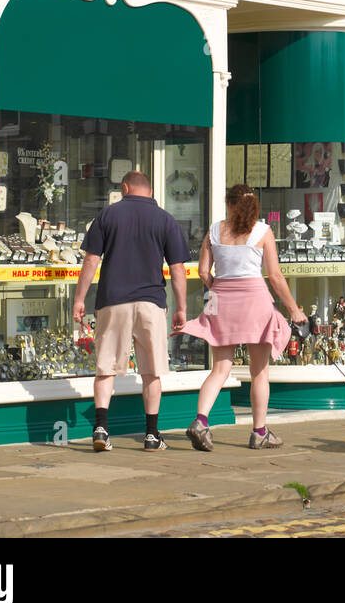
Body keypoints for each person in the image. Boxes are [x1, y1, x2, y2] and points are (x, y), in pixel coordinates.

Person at [177, 184, 306, 450]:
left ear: (229, 203)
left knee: (220, 368)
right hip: (255, 301)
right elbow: (276, 277)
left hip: (220, 301)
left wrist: (220, 290)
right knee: (259, 371)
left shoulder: (214, 230)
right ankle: (259, 432)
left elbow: (203, 272)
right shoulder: (263, 232)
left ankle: (201, 421)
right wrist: (294, 309)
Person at [73, 171, 189, 452]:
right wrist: (182, 307)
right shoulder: (165, 219)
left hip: (113, 300)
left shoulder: (108, 215)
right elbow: (177, 269)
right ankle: (151, 435)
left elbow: (90, 260)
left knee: (106, 368)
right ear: (149, 190)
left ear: (125, 187)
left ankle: (101, 427)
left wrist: (79, 298)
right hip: (151, 302)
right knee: (152, 371)